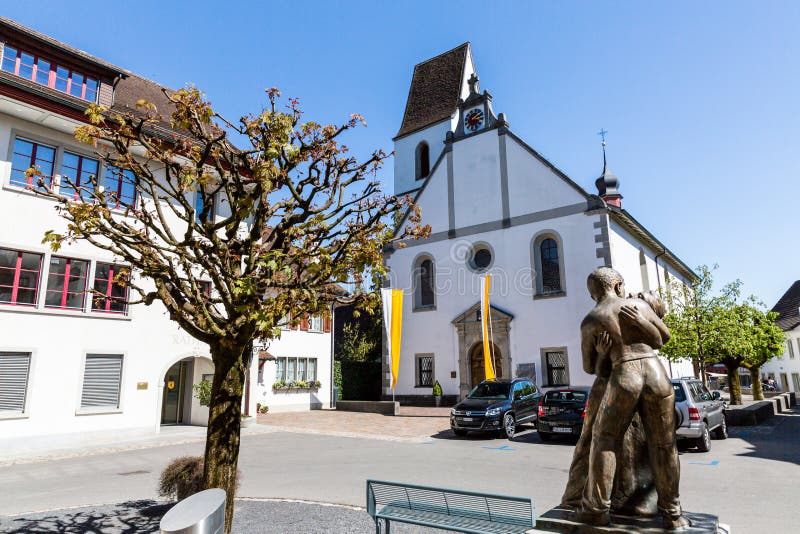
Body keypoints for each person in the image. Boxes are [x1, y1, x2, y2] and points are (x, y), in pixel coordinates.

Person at [577, 268, 686, 528]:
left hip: (624, 375)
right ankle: (673, 513)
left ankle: (597, 509)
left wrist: (603, 352)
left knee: (604, 440)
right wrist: (641, 322)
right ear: (618, 285)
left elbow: (590, 368)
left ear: (593, 293)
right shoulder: (637, 304)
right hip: (656, 375)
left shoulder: (592, 319)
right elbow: (664, 338)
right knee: (665, 445)